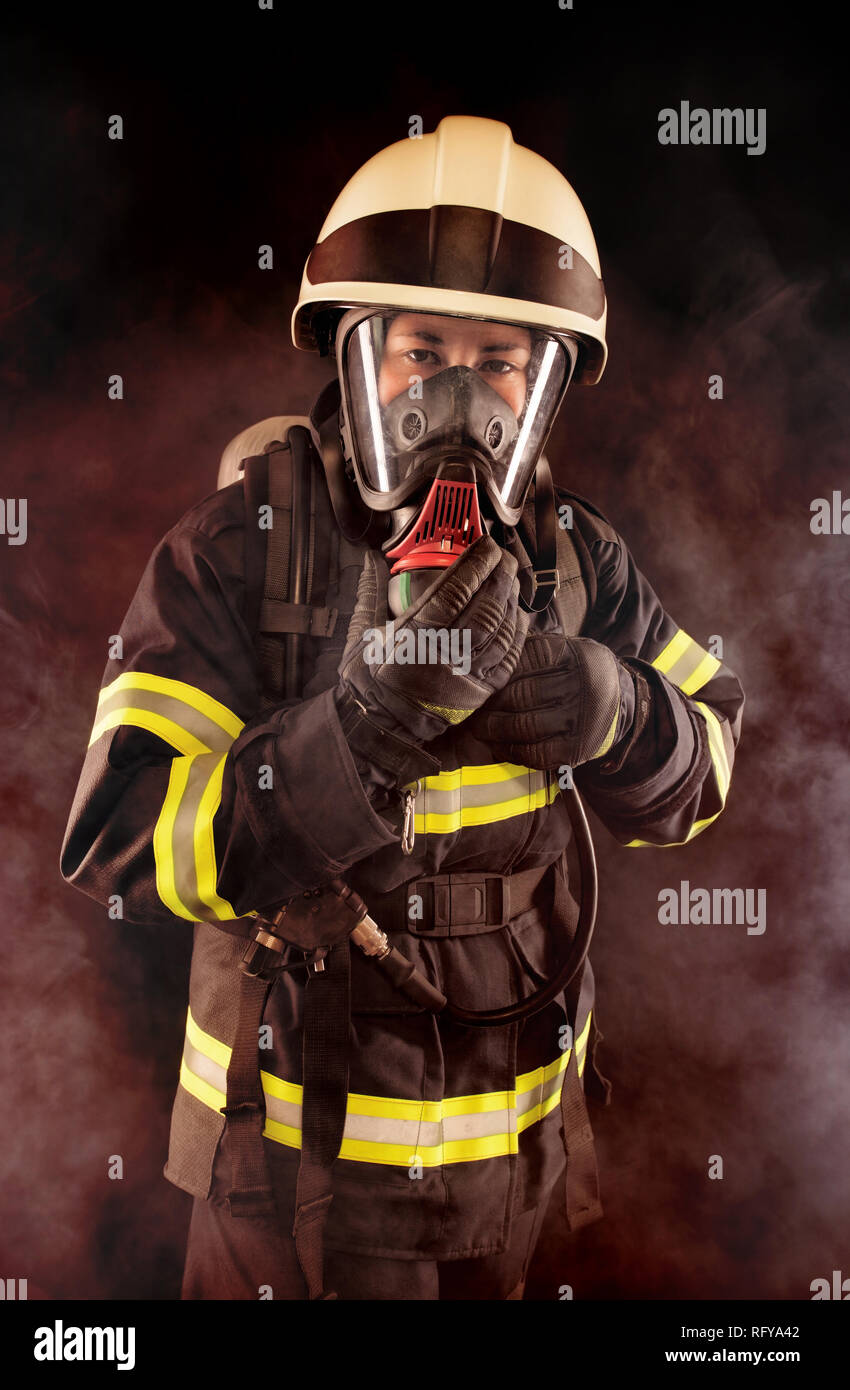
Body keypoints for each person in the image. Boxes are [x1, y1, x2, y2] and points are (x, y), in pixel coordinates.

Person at [60, 116, 744, 1300]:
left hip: (515, 1200)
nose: (456, 403)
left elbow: (709, 768)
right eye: (420, 352)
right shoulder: (236, 553)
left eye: (499, 364)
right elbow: (123, 839)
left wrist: (617, 709)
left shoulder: (581, 564)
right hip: (278, 1196)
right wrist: (353, 734)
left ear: (544, 389)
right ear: (351, 356)